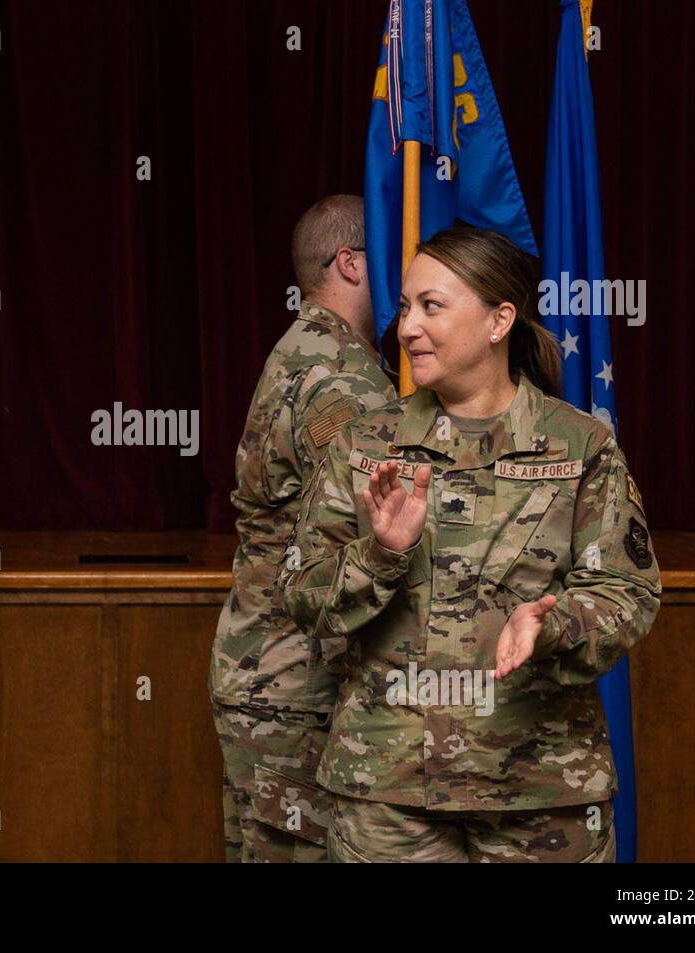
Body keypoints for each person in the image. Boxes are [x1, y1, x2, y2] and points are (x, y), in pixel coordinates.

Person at [280, 225, 660, 862]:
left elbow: (628, 591)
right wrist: (380, 556)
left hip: (541, 786)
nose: (406, 328)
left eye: (432, 306)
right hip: (390, 793)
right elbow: (299, 592)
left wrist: (556, 620)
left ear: (498, 320)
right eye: (404, 306)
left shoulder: (580, 447)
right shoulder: (366, 445)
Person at [209, 195, 396, 862]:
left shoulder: (303, 349)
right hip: (297, 684)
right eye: (390, 252)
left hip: (270, 677)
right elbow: (372, 522)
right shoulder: (339, 374)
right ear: (349, 263)